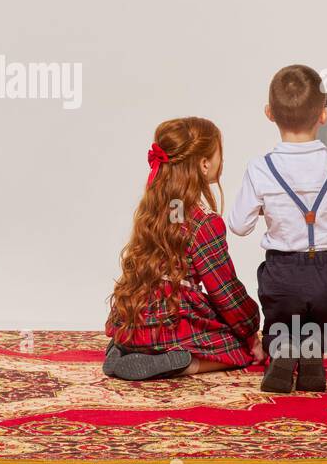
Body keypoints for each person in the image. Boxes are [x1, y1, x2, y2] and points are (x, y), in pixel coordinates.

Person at [226, 64, 327, 393]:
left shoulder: (260, 168)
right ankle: (311, 360)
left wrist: (267, 205)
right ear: (324, 116)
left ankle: (282, 352)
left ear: (269, 113)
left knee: (281, 313)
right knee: (322, 314)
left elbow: (238, 225)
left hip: (283, 275)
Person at [103, 117, 264, 382]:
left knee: (204, 324)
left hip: (134, 316)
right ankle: (181, 363)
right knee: (239, 350)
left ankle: (124, 350)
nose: (221, 161)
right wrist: (250, 331)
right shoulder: (204, 221)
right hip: (170, 318)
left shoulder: (155, 207)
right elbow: (224, 290)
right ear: (204, 164)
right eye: (218, 154)